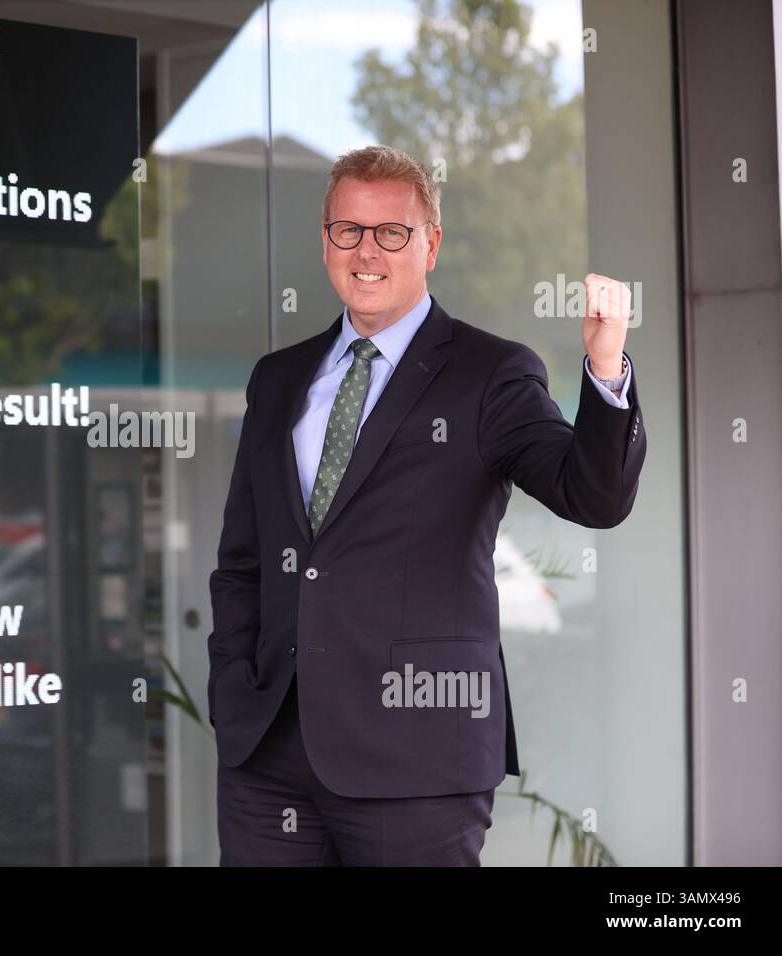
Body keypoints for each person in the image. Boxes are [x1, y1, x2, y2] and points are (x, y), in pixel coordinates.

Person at [207, 145, 645, 866]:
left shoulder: (490, 374)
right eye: (348, 230)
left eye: (392, 232)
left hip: (417, 755)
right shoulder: (279, 379)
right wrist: (233, 690)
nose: (367, 251)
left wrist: (604, 367)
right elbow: (243, 560)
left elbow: (593, 496)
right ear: (325, 241)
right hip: (269, 757)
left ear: (430, 244)